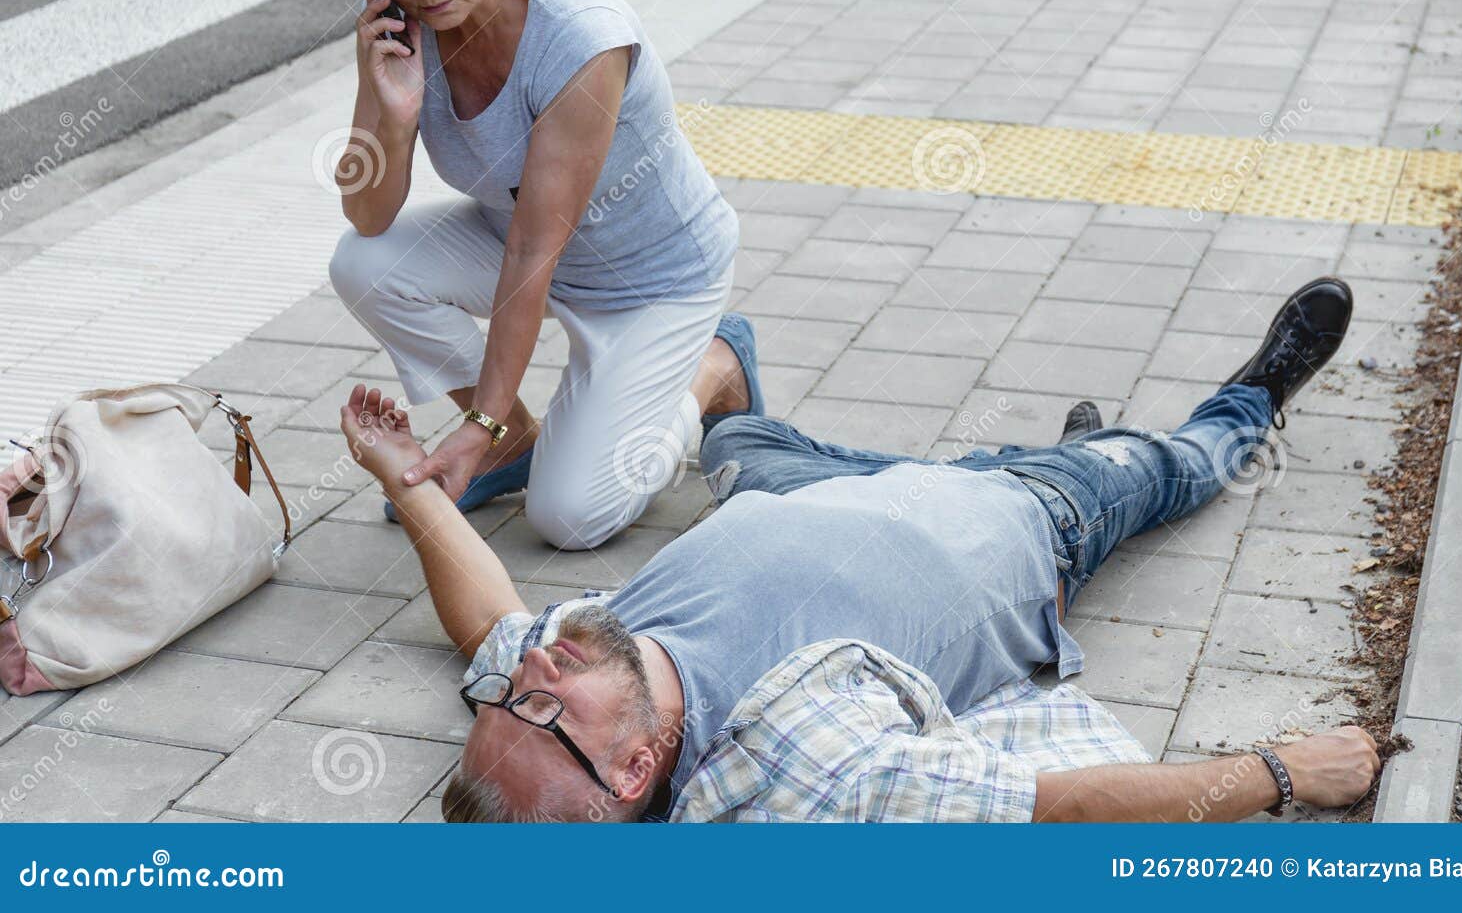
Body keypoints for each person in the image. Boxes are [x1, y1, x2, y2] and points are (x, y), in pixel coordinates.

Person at [337, 278, 1380, 822]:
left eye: (508, 698)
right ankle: (1247, 397)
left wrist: (401, 475)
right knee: (1170, 464)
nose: (530, 671)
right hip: (1020, 519)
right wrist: (1283, 771)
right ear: (639, 766)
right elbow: (1056, 809)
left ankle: (730, 385)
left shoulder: (568, 672)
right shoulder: (802, 777)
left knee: (738, 439)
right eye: (543, 707)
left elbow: (484, 620)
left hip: (807, 485)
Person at [325, 0, 761, 549]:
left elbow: (534, 251)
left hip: (652, 279)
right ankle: (510, 443)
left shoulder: (580, 35)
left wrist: (474, 415)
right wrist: (392, 109)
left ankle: (714, 368)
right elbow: (368, 217)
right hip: (529, 251)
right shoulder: (404, 28)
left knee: (571, 516)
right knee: (361, 264)